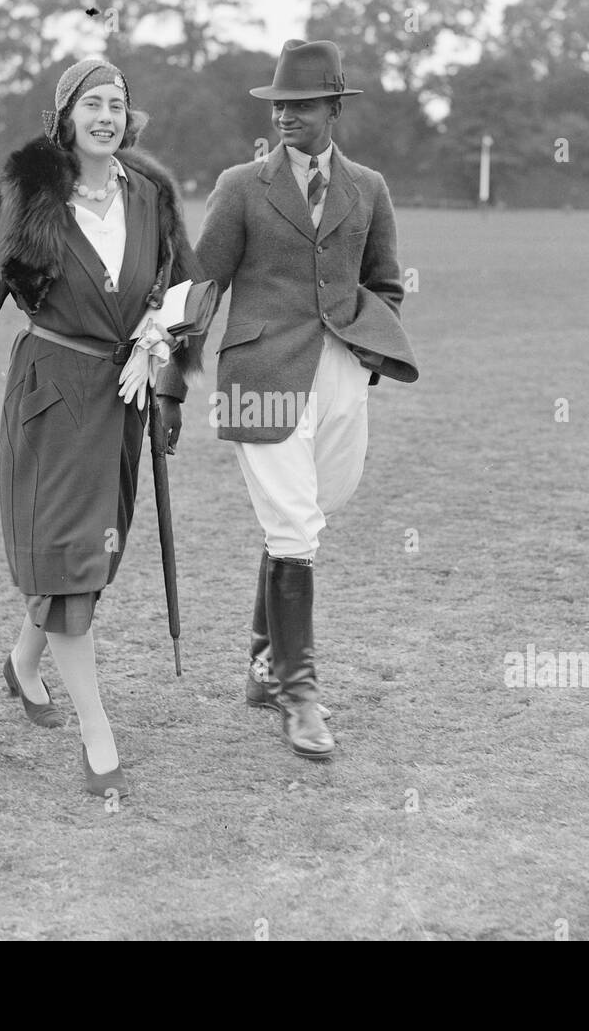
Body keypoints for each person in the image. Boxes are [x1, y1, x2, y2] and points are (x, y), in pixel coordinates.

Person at [0, 59, 203, 798]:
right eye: (92, 103)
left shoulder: (152, 194)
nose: (107, 116)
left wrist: (167, 371)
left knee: (89, 561)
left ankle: (23, 661)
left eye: (118, 104)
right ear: (65, 116)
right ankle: (99, 738)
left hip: (122, 400)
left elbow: (188, 288)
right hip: (51, 396)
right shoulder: (29, 199)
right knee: (68, 564)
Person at [195, 40, 419, 760]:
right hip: (260, 371)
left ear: (333, 109)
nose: (287, 116)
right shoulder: (239, 186)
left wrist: (367, 354)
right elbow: (205, 284)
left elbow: (384, 281)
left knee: (318, 504)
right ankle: (301, 693)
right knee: (294, 524)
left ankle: (265, 662)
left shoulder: (370, 188)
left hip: (340, 371)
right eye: (279, 105)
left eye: (301, 105)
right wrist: (171, 380)